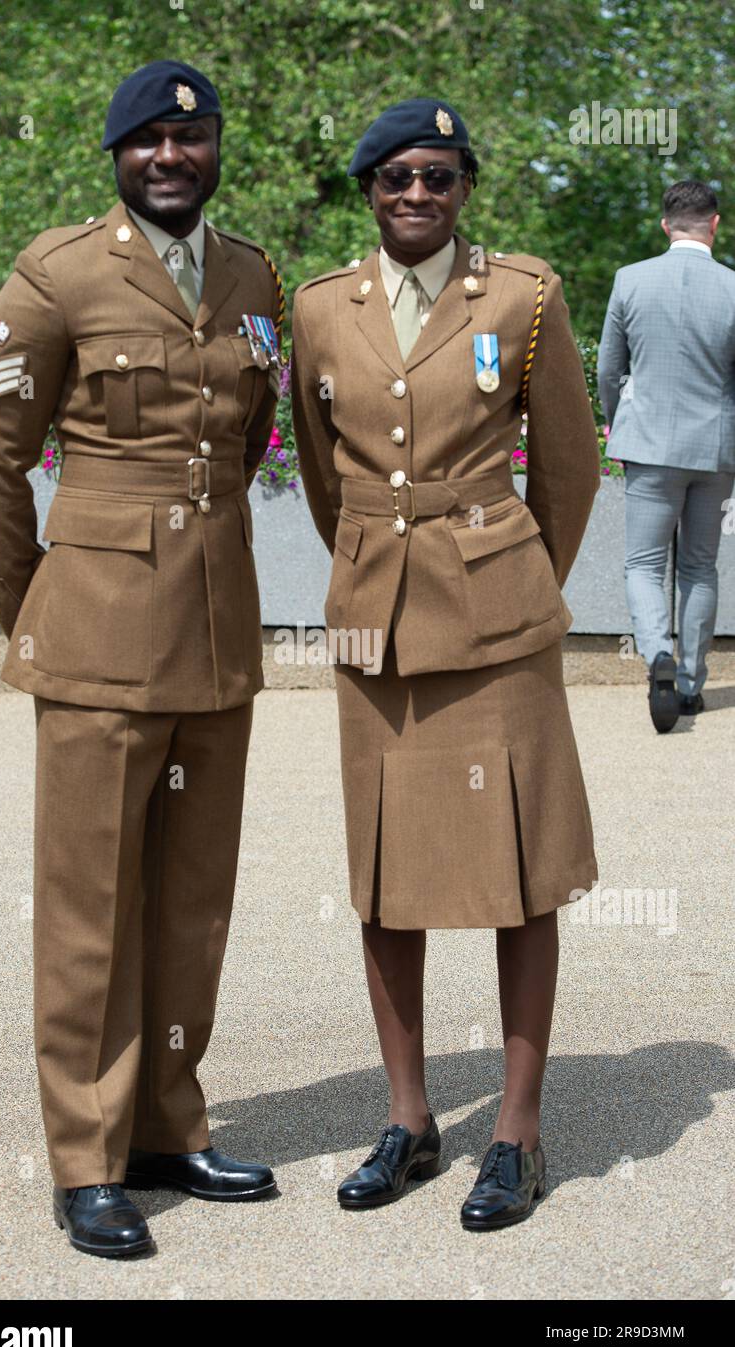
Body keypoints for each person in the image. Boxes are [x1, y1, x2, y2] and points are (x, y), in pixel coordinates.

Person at [0, 60, 284, 1258]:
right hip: (96, 639)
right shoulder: (58, 273)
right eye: (147, 141)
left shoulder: (251, 275)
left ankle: (166, 1122)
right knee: (91, 907)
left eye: (189, 142)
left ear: (212, 155)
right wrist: (35, 610)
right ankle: (87, 1157)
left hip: (212, 635)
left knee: (192, 905)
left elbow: (242, 443)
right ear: (116, 155)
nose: (169, 158)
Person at [290, 98, 600, 1230]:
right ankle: (410, 1118)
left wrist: (510, 576)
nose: (416, 195)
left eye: (438, 177)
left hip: (497, 616)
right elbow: (325, 480)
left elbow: (569, 464)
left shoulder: (522, 297)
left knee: (520, 868)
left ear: (465, 186)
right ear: (367, 189)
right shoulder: (322, 307)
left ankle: (515, 1131)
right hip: (375, 614)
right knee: (383, 876)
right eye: (395, 178)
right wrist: (380, 560)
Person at [598, 180, 735, 733]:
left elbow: (609, 368)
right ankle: (689, 684)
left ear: (664, 225)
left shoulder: (630, 280)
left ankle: (656, 652)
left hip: (650, 447)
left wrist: (619, 422)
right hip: (716, 450)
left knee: (643, 564)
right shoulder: (733, 287)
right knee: (700, 566)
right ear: (715, 224)